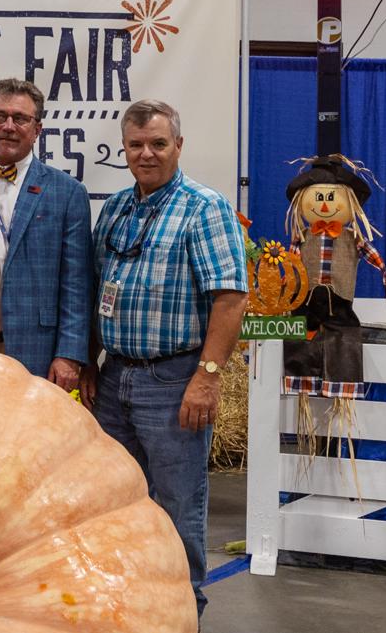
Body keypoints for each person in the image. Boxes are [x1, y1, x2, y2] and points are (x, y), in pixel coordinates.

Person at [78, 99, 247, 619]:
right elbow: (96, 290)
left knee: (177, 505)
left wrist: (207, 378)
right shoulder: (115, 208)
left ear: (178, 145)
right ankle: (124, 609)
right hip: (115, 378)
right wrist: (89, 362)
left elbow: (231, 298)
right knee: (111, 500)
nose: (146, 154)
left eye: (157, 143)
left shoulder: (204, 207)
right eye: (136, 145)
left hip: (173, 380)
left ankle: (181, 612)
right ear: (124, 149)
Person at [0, 78, 89, 387]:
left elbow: (77, 284)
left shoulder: (67, 192)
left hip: (34, 350)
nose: (8, 126)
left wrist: (69, 355)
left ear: (37, 129)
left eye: (20, 118)